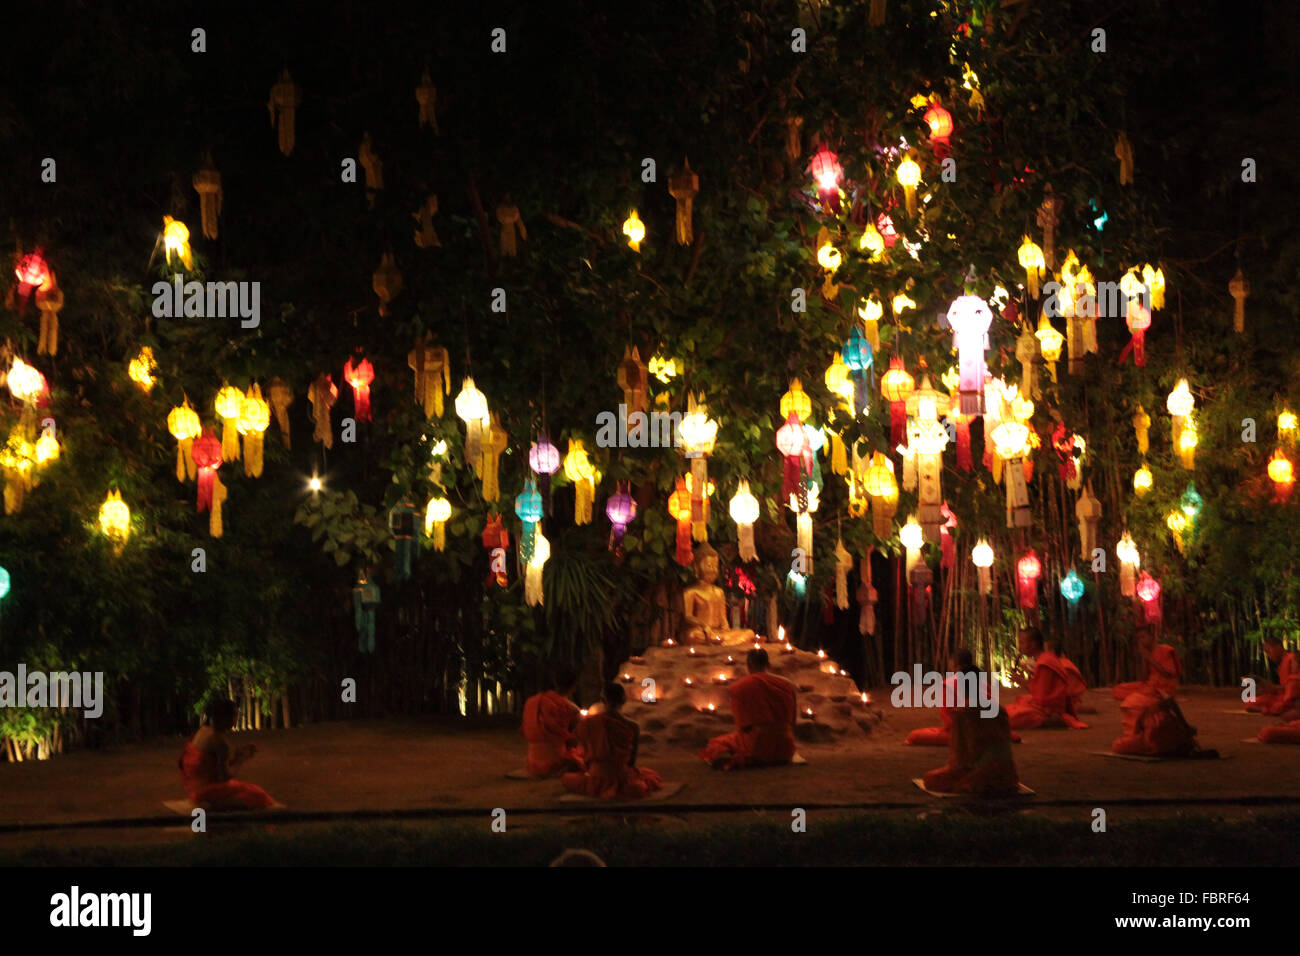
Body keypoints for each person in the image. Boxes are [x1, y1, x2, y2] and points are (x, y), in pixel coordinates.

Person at [921, 660, 1020, 795]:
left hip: (980, 774)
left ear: (960, 687)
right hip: (1008, 774)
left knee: (930, 779)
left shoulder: (962, 713)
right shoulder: (1000, 709)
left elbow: (961, 758)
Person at [699, 647, 798, 769]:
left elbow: (742, 724)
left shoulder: (740, 687)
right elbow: (792, 721)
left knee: (716, 743)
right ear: (768, 664)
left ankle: (732, 759)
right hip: (785, 748)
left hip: (757, 747)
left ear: (748, 665)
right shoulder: (787, 685)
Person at [562, 683, 662, 799]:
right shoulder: (632, 726)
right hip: (620, 777)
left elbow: (583, 756)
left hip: (595, 777)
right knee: (649, 778)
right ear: (624, 700)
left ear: (603, 700)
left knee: (566, 779)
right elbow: (631, 762)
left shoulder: (588, 724)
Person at [177, 698, 275, 810]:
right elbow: (223, 778)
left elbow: (211, 765)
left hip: (192, 786)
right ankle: (211, 803)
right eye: (235, 716)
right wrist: (241, 759)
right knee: (258, 795)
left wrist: (237, 754)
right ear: (227, 718)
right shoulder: (220, 741)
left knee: (245, 790)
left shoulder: (203, 731)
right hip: (204, 790)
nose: (236, 719)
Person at [1004, 627, 1089, 730]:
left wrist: (1022, 681)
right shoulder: (1044, 660)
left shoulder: (1045, 663)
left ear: (1032, 645)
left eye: (1022, 643)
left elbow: (1042, 699)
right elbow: (1041, 691)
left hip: (1047, 710)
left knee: (1008, 718)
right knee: (1015, 705)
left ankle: (1050, 720)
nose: (1020, 647)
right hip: (1044, 706)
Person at [521, 667, 586, 778]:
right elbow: (572, 740)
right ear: (574, 686)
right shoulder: (569, 707)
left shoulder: (531, 701)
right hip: (556, 762)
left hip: (532, 763)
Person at [1112, 627, 1182, 700]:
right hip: (1150, 686)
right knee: (1118, 690)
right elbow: (1144, 679)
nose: (1140, 641)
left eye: (1143, 637)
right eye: (1138, 639)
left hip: (1163, 688)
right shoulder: (1147, 653)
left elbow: (1167, 674)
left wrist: (1148, 657)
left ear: (1151, 637)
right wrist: (1144, 658)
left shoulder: (1165, 650)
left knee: (1131, 703)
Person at [1244, 636, 1300, 717]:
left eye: (1268, 651)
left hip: (1290, 699)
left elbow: (1294, 686)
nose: (1268, 655)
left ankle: (1270, 710)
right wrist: (1267, 687)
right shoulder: (1281, 664)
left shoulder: (1291, 659)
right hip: (1283, 697)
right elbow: (1285, 687)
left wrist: (1274, 688)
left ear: (1278, 647)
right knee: (1250, 701)